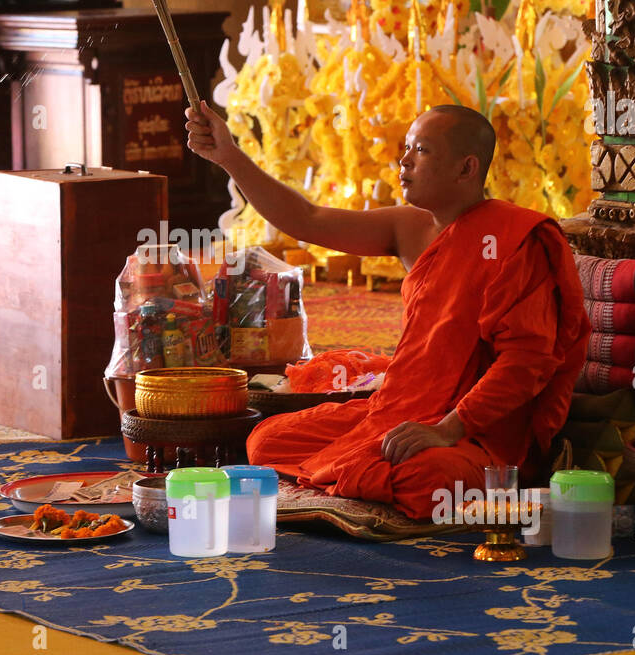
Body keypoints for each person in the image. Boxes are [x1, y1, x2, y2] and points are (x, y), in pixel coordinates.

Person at [184, 100, 589, 518]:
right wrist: (229, 156)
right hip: (399, 411)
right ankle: (366, 468)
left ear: (467, 169)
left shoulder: (514, 240)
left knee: (429, 479)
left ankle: (370, 470)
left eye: (422, 151)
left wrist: (448, 428)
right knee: (267, 440)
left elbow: (527, 361)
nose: (405, 160)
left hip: (477, 434)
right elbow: (307, 219)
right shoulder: (409, 227)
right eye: (407, 148)